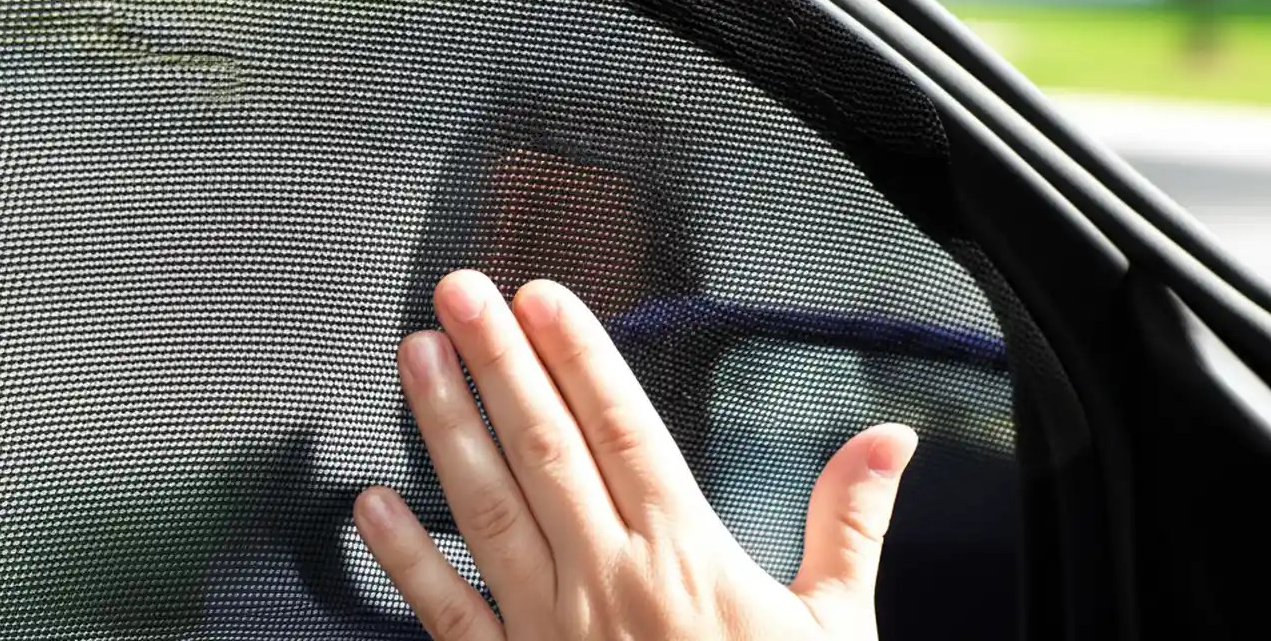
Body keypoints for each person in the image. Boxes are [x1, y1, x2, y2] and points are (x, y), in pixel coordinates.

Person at [353, 269, 918, 640]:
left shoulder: (758, 515)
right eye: (508, 245)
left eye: (580, 255)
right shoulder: (324, 571)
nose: (515, 323)